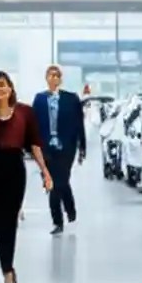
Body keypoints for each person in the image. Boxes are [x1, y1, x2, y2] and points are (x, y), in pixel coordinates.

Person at [0, 71, 52, 283]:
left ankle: (8, 273)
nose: (1, 89)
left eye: (4, 85)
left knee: (10, 221)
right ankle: (6, 267)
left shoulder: (25, 112)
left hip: (14, 167)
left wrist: (45, 171)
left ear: (10, 87)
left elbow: (34, 144)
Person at [32, 65, 87, 235]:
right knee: (52, 184)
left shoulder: (71, 99)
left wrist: (82, 146)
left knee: (61, 181)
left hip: (66, 147)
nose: (54, 78)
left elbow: (79, 124)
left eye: (57, 75)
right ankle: (58, 222)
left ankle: (70, 208)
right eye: (50, 75)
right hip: (46, 148)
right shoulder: (39, 99)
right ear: (46, 78)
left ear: (60, 79)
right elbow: (33, 125)